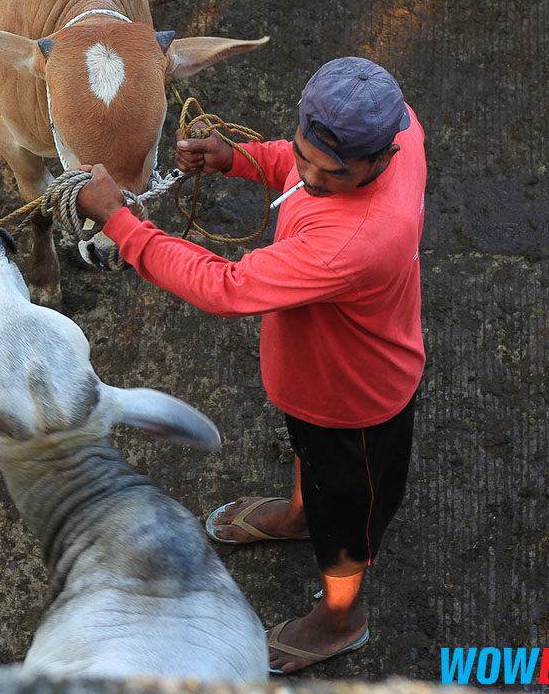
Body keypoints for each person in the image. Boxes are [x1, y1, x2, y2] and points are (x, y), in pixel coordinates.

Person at [75, 57, 426, 675]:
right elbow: (295, 163)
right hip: (314, 381)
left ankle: (341, 620)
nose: (311, 180)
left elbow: (225, 287)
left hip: (357, 402)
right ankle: (296, 514)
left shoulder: (355, 240)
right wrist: (239, 158)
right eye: (304, 155)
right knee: (311, 461)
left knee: (345, 522)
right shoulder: (398, 125)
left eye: (332, 173)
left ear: (382, 161)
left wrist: (122, 223)